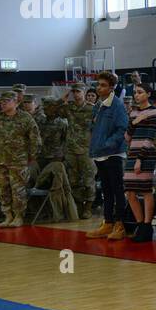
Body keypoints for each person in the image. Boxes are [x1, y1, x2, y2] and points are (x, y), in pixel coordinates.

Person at [87, 72, 130, 240]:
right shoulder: (98, 105)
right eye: (98, 85)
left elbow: (122, 129)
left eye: (103, 85)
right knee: (106, 190)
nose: (99, 88)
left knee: (117, 189)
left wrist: (107, 145)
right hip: (99, 154)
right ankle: (108, 222)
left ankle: (120, 224)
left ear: (111, 88)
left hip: (113, 153)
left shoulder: (117, 105)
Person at [0, 91, 41, 228]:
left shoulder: (25, 118)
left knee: (18, 190)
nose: (3, 104)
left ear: (15, 102)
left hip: (18, 160)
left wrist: (32, 156)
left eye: (6, 101)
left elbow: (35, 139)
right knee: (3, 189)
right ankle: (8, 215)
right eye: (1, 102)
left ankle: (18, 216)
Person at [121, 84, 156, 243]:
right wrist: (134, 122)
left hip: (145, 154)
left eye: (140, 92)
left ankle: (147, 225)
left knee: (145, 190)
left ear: (148, 94)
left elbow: (150, 138)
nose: (136, 95)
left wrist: (139, 158)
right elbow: (127, 137)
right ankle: (139, 224)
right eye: (135, 93)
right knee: (130, 192)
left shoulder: (154, 112)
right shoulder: (134, 112)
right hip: (132, 152)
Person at [62, 83, 96, 218]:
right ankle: (79, 206)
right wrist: (62, 99)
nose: (76, 94)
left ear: (84, 92)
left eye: (78, 91)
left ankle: (88, 207)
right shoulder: (68, 108)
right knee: (73, 180)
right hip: (71, 151)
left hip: (87, 150)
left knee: (88, 180)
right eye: (74, 91)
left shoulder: (91, 109)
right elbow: (50, 112)